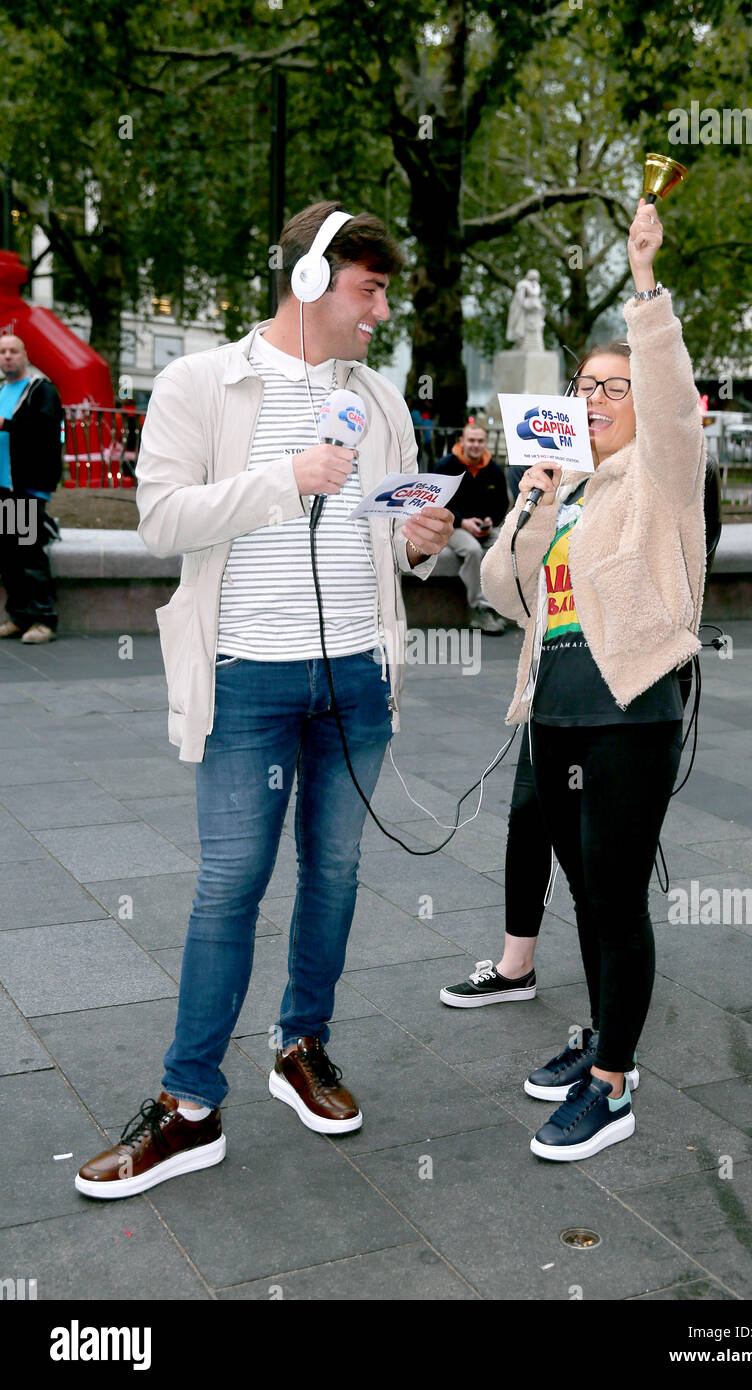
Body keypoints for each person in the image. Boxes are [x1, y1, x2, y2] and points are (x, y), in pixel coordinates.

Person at [75, 201, 454, 1199]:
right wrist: (281, 479)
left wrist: (417, 546)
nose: (379, 311)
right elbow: (159, 518)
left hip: (356, 678)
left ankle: (302, 1046)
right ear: (311, 281)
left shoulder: (375, 397)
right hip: (246, 676)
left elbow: (386, 531)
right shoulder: (202, 383)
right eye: (368, 290)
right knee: (229, 885)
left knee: (332, 873)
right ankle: (187, 1105)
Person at [467, 198, 707, 1162]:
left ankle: (613, 1085)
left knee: (615, 895)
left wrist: (645, 284)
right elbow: (502, 592)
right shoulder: (566, 491)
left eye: (614, 387)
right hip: (556, 714)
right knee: (585, 888)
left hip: (628, 713)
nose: (598, 399)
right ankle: (609, 1039)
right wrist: (529, 505)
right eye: (586, 387)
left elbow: (667, 382)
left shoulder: (661, 476)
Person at [0, 334, 63, 644]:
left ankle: (42, 620)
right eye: (2, 352)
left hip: (24, 488)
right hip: (3, 488)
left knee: (27, 554)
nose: (8, 356)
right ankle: (19, 617)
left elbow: (45, 427)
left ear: (25, 355)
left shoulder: (40, 389)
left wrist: (7, 424)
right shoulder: (1, 390)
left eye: (13, 351)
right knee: (9, 557)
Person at [434, 419, 510, 634]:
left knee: (505, 547)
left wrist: (489, 521)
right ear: (462, 441)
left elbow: (501, 504)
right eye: (471, 440)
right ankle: (480, 610)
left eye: (479, 441)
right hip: (452, 527)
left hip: (483, 528)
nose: (475, 445)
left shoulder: (493, 469)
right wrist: (462, 522)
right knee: (473, 551)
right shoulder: (446, 466)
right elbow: (437, 502)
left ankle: (501, 605)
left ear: (485, 442)